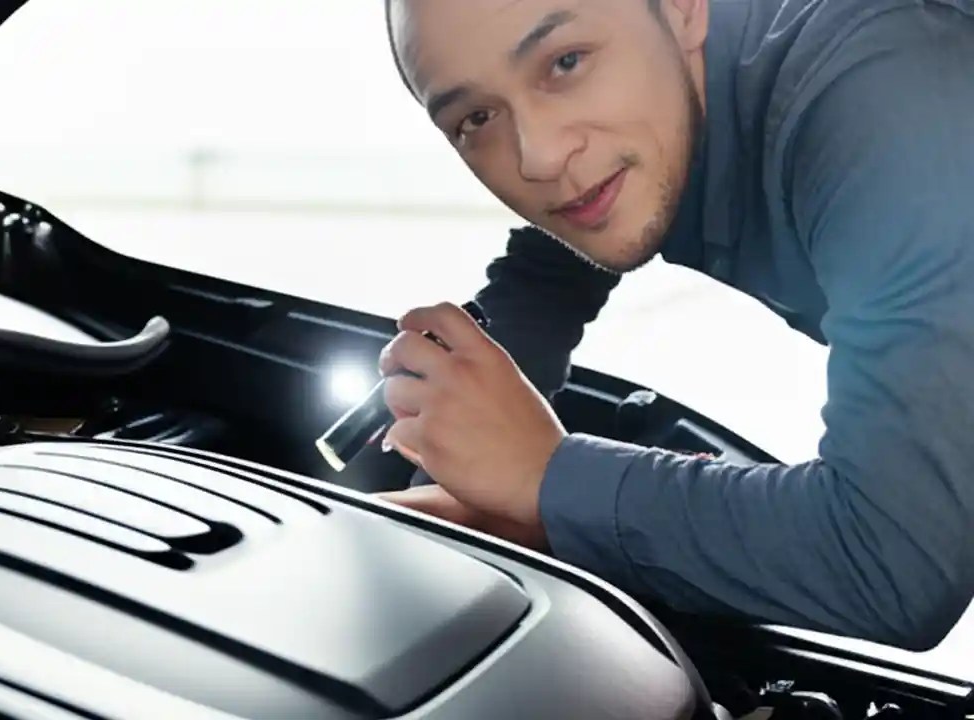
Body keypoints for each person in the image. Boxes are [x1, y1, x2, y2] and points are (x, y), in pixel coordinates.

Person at [375, 0, 974, 651]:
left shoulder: (885, 98)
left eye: (566, 62)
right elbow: (546, 281)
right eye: (477, 118)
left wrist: (544, 483)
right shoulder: (644, 117)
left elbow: (891, 561)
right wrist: (449, 469)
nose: (539, 156)